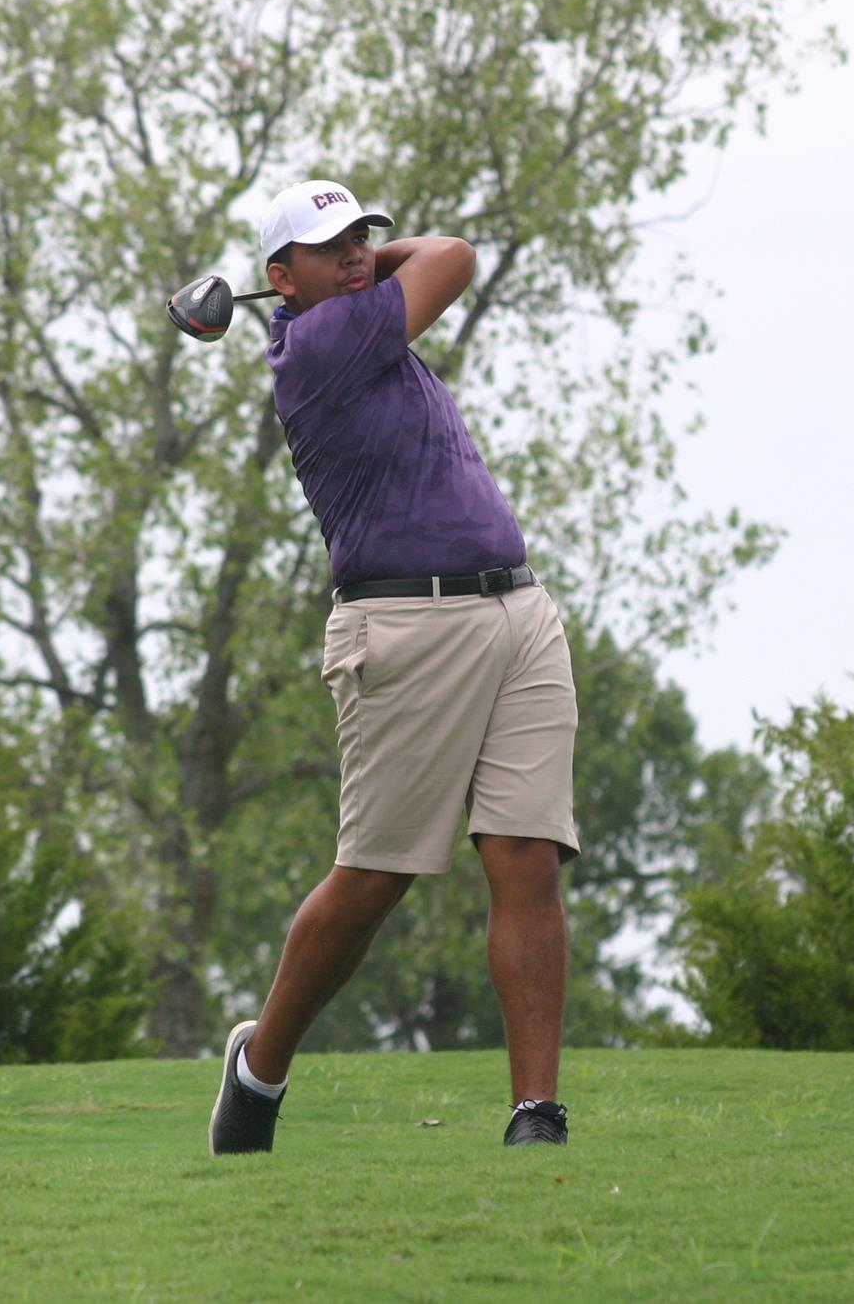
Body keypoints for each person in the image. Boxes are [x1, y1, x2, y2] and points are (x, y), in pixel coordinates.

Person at [208, 179, 580, 1155]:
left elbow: (432, 255)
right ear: (279, 280)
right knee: (374, 877)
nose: (360, 254)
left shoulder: (351, 314)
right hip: (404, 629)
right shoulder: (321, 346)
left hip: (517, 610)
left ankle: (533, 1114)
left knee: (525, 854)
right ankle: (259, 1069)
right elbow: (453, 253)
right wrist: (363, 272)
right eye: (331, 248)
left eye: (363, 237)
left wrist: (356, 264)